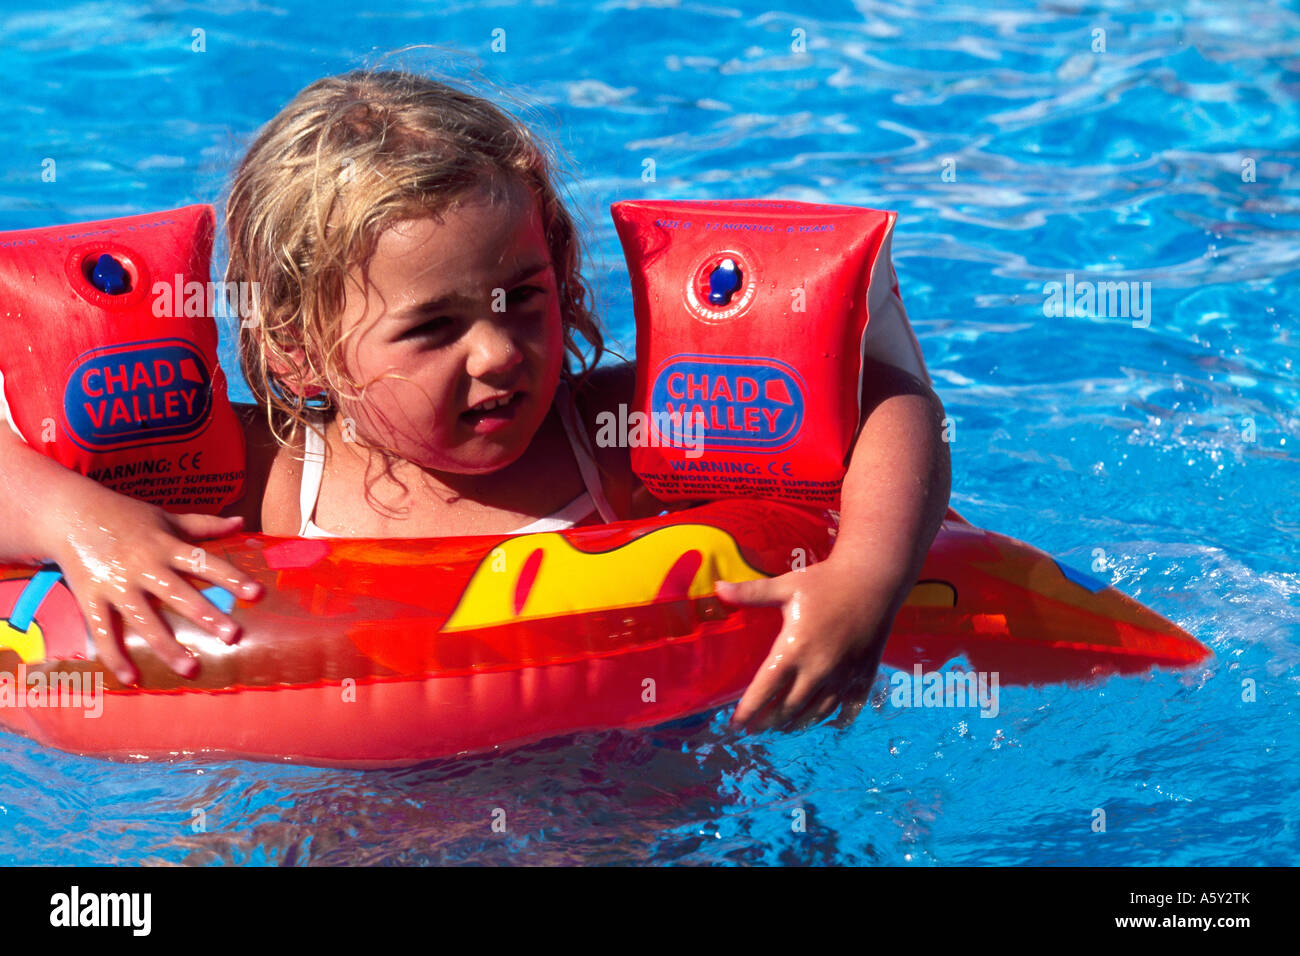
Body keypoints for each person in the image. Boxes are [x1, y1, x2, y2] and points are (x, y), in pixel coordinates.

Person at [0, 69, 951, 731]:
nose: (498, 352)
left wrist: (866, 577)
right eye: (432, 328)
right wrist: (82, 523)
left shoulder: (613, 441)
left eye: (523, 300)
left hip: (625, 796)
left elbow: (878, 405)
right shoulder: (281, 479)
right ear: (299, 351)